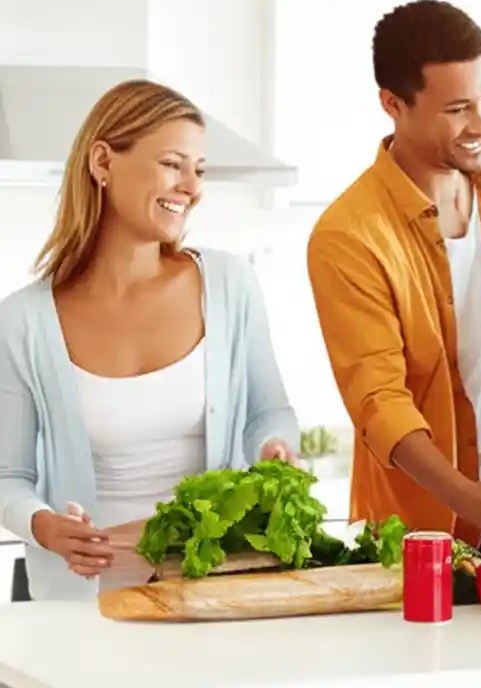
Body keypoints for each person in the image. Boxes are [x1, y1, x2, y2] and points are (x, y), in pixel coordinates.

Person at [0, 79, 299, 601]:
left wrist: (274, 449)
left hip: (212, 593)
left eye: (199, 170)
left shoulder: (228, 285)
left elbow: (268, 414)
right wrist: (46, 526)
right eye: (172, 163)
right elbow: (9, 476)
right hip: (82, 608)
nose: (191, 185)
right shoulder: (25, 320)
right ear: (102, 161)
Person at [306, 0, 481, 554]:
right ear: (393, 104)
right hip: (424, 531)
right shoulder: (349, 235)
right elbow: (379, 401)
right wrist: (471, 501)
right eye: (457, 109)